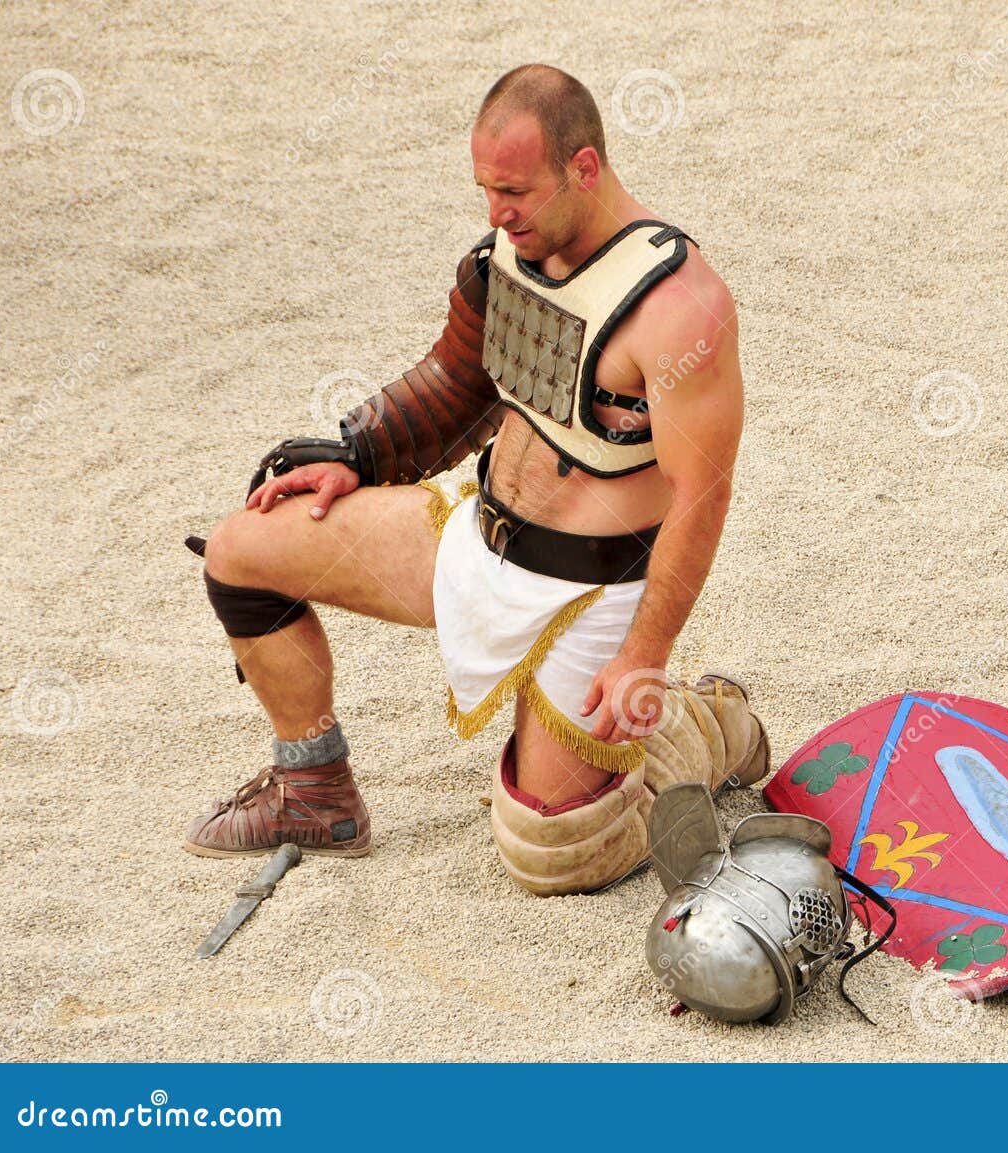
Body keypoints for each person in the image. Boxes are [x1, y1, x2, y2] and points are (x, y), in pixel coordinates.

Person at [183, 64, 768, 895]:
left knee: (549, 851)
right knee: (242, 550)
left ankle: (704, 721)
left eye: (516, 191)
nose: (497, 213)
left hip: (590, 591)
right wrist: (359, 454)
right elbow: (463, 383)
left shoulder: (682, 307)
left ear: (585, 169)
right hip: (476, 534)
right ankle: (312, 790)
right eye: (486, 189)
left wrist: (645, 655)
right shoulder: (510, 253)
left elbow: (704, 495)